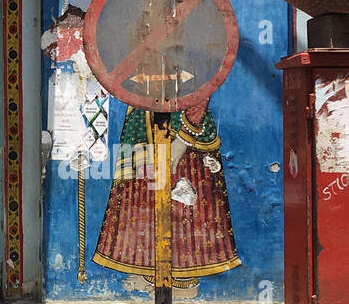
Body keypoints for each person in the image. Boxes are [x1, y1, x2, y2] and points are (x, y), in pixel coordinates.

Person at [92, 99, 240, 290]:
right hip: (144, 121)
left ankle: (183, 280)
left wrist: (184, 138)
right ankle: (151, 270)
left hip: (182, 126)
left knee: (183, 196)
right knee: (145, 197)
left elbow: (204, 85)